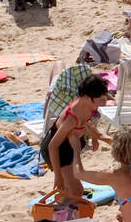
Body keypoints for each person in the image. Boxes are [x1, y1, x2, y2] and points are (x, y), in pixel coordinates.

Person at [41, 75, 109, 204]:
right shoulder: (72, 117)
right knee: (76, 191)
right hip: (58, 150)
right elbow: (52, 146)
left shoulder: (88, 105)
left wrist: (94, 137)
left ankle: (61, 209)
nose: (103, 102)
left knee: (66, 190)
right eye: (99, 99)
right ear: (88, 98)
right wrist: (58, 175)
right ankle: (63, 213)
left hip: (70, 146)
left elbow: (87, 124)